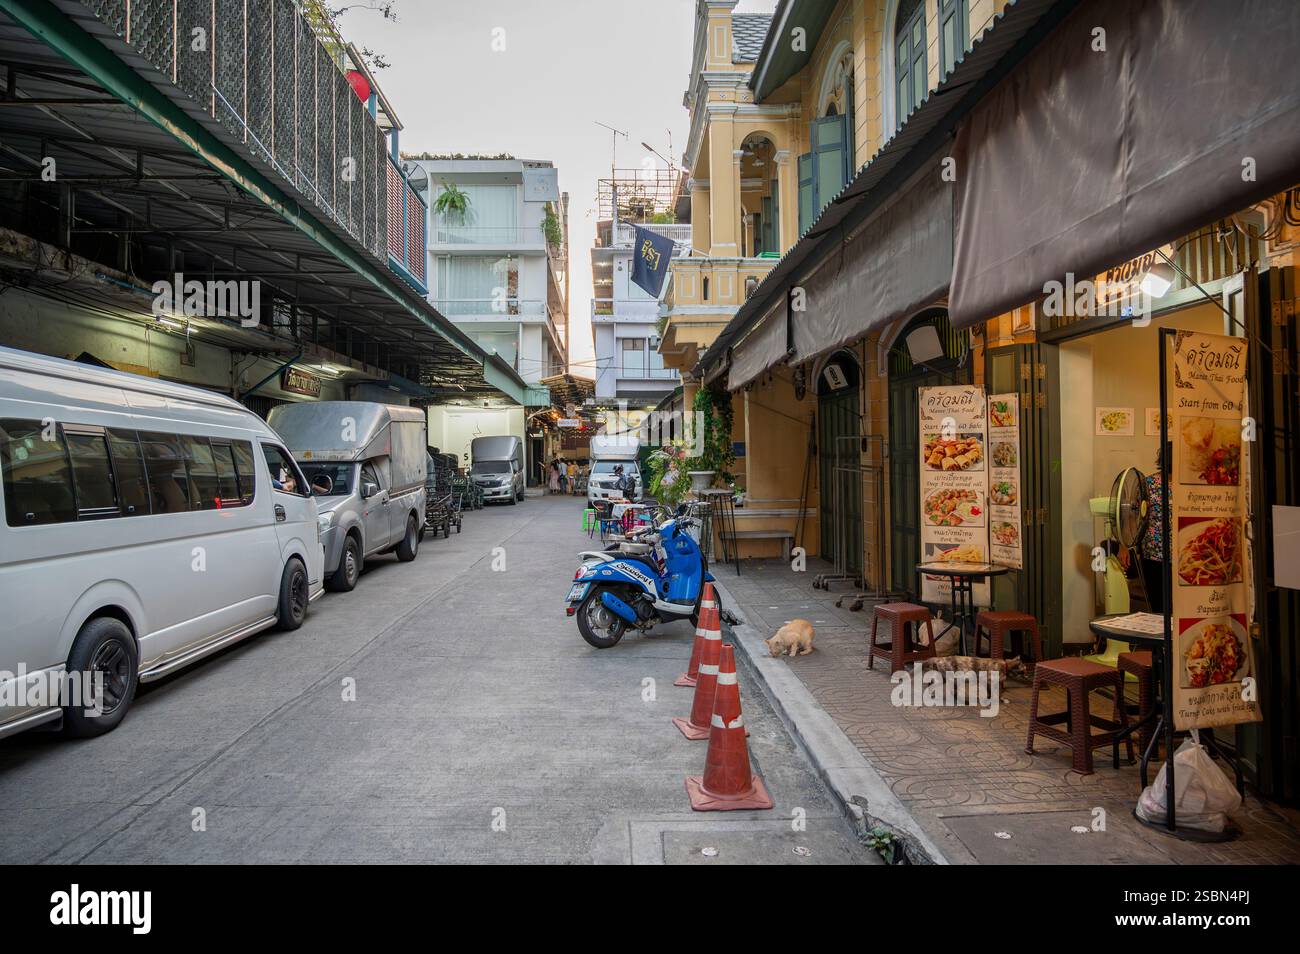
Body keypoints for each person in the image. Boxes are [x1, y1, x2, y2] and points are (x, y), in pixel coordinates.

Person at [1140, 442, 1172, 613]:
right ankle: (1160, 639)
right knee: (1159, 607)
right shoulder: (1149, 483)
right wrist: (1125, 546)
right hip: (1154, 554)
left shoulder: (1189, 486)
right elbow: (1134, 516)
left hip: (1184, 556)